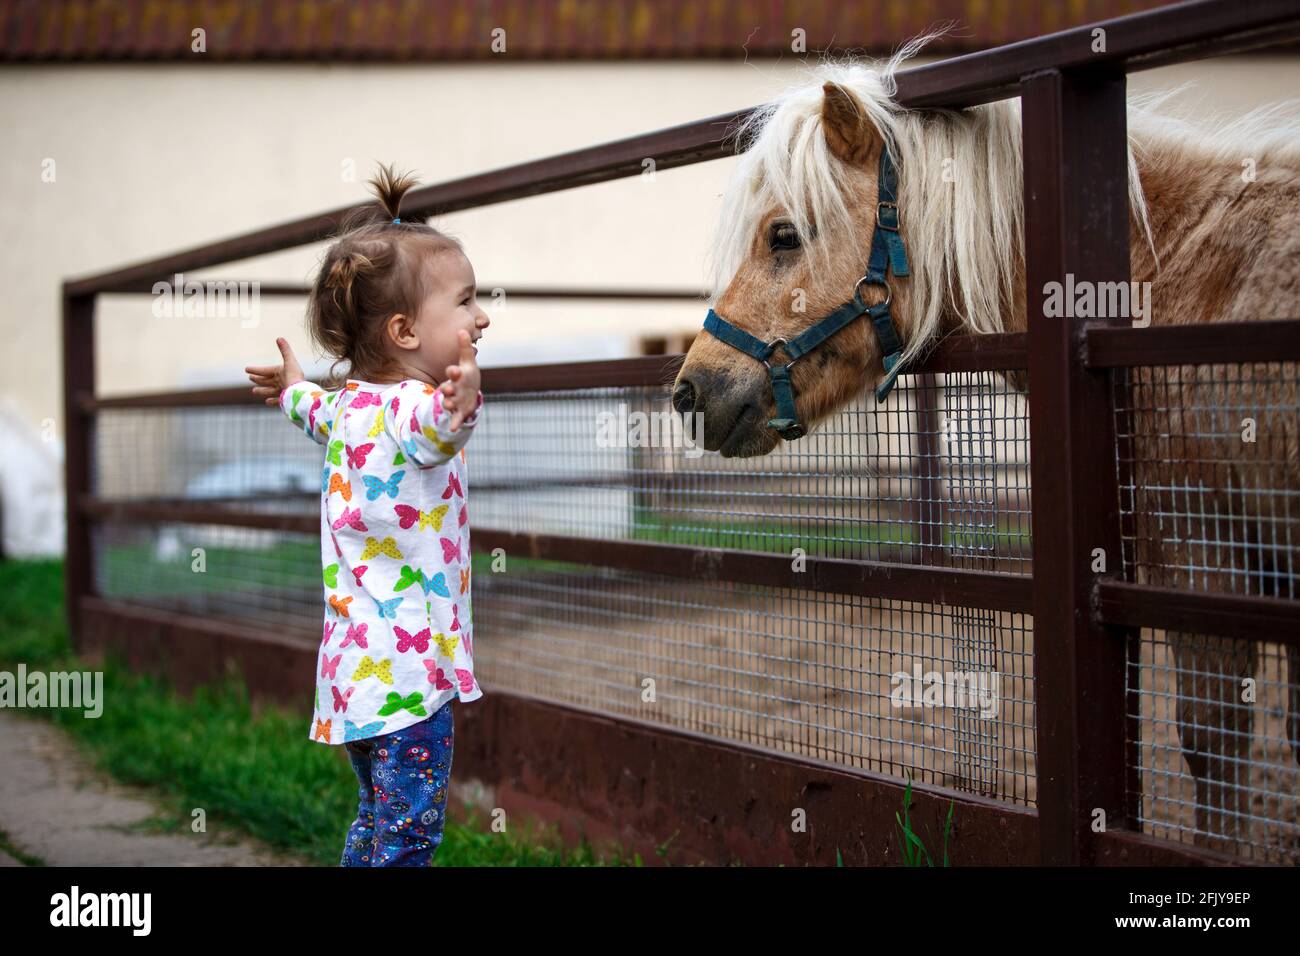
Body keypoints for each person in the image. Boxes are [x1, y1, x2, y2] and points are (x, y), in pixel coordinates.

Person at [245, 163, 489, 865]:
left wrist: (293, 387)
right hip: (411, 686)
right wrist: (463, 399)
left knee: (378, 824)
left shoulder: (350, 407)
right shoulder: (420, 411)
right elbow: (436, 433)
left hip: (354, 677)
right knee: (408, 838)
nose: (483, 316)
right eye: (467, 302)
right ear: (407, 331)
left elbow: (311, 411)